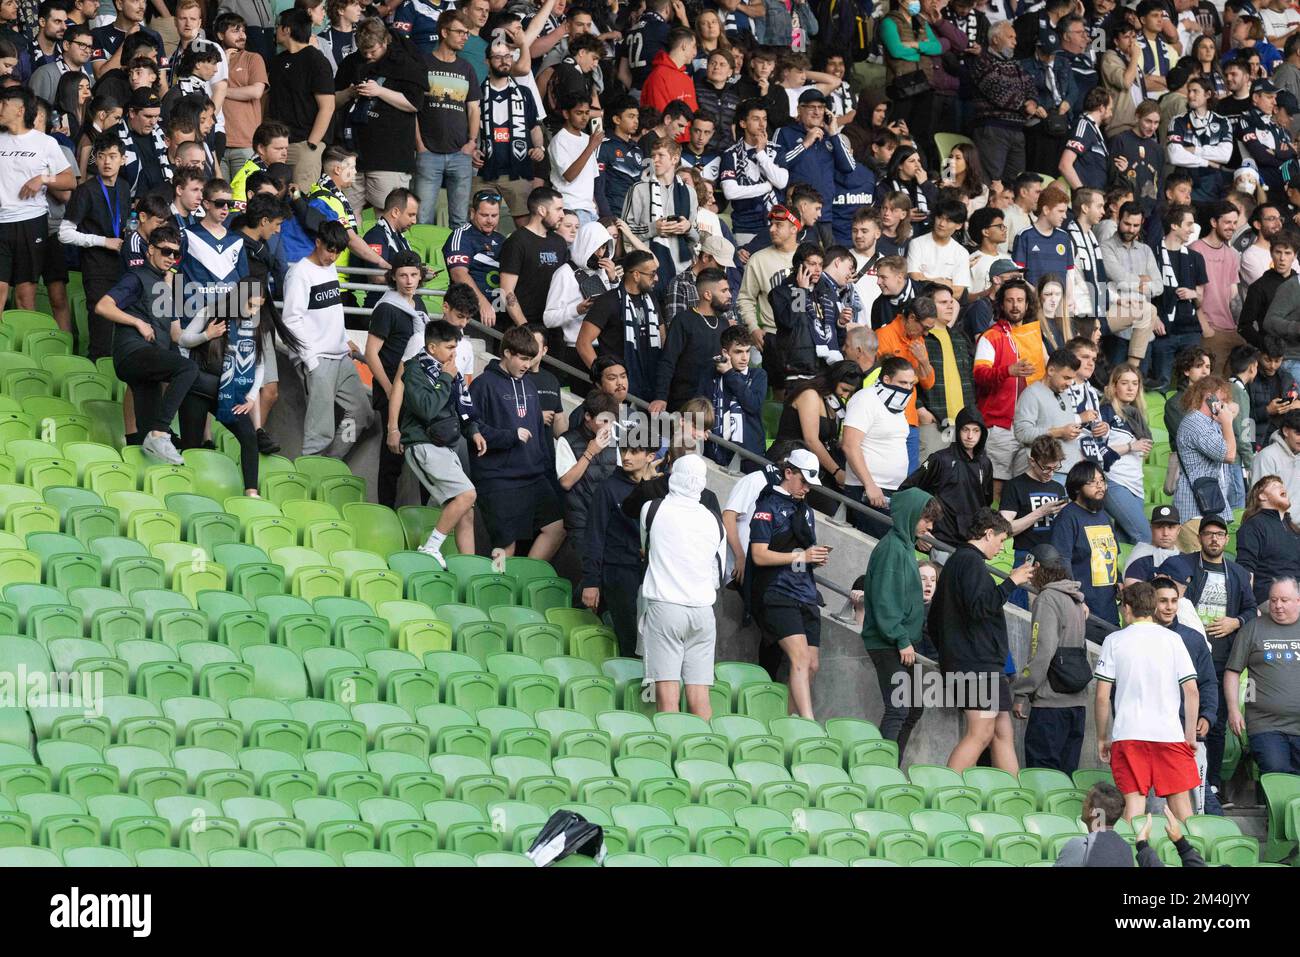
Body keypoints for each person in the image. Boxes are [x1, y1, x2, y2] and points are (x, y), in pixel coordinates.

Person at [1157, 514, 1258, 814]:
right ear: (1199, 537)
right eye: (1209, 534)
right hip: (1183, 654)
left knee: (1212, 724)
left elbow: (1252, 609)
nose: (1214, 539)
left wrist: (1235, 621)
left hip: (1221, 657)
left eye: (1220, 534)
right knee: (1175, 719)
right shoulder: (1185, 564)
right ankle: (1174, 785)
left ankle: (1210, 783)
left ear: (1227, 539)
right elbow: (1160, 583)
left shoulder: (1238, 573)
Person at [930, 508, 1034, 772]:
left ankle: (1012, 799)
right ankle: (947, 791)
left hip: (976, 663)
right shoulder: (970, 562)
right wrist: (1011, 581)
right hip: (976, 665)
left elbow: (935, 620)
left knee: (1002, 732)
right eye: (1000, 541)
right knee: (981, 733)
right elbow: (982, 607)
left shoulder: (959, 562)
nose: (1001, 549)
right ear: (988, 533)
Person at [1094, 581, 1202, 823]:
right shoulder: (1174, 640)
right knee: (1182, 808)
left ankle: (1132, 857)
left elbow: (1101, 696)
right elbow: (1192, 691)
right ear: (1154, 608)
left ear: (1128, 608)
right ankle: (1194, 858)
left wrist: (1102, 737)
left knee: (1133, 806)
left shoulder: (1114, 640)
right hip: (1169, 734)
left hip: (1128, 734)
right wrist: (1190, 736)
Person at [96, 223, 193, 465]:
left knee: (146, 443)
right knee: (187, 369)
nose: (171, 258)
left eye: (175, 254)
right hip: (133, 353)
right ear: (150, 249)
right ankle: (163, 431)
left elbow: (175, 334)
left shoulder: (164, 285)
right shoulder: (136, 276)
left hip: (149, 362)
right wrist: (138, 323)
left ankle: (153, 442)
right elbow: (103, 306)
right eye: (165, 251)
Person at [746, 448, 831, 719]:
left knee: (812, 664)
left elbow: (800, 555)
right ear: (788, 473)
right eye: (803, 482)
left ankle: (781, 721)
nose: (806, 489)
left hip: (805, 592)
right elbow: (758, 555)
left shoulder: (806, 511)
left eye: (810, 484)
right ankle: (807, 722)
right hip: (778, 592)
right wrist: (802, 556)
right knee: (800, 659)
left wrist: (812, 558)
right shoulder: (767, 506)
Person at [861, 488, 945, 762]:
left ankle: (891, 765)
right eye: (926, 519)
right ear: (910, 515)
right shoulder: (892, 550)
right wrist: (901, 639)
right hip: (889, 642)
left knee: (913, 708)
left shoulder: (903, 548)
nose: (930, 527)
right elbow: (886, 601)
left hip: (899, 642)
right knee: (898, 708)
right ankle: (881, 769)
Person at [468, 325, 565, 560]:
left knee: (557, 528)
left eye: (530, 359)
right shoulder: (482, 385)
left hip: (533, 475)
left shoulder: (529, 386)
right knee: (506, 548)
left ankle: (524, 582)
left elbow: (539, 434)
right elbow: (471, 428)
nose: (526, 365)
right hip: (498, 480)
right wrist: (510, 436)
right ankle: (498, 591)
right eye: (522, 358)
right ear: (507, 353)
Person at [639, 453, 725, 718]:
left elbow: (646, 550)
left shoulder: (652, 509)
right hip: (702, 612)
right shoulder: (714, 520)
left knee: (667, 701)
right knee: (700, 700)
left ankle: (673, 757)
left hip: (666, 608)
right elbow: (717, 573)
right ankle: (706, 756)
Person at [280, 221, 371, 459]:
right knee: (319, 432)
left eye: (338, 252)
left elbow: (331, 310)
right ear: (317, 242)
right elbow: (291, 320)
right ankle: (310, 480)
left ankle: (331, 461)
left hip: (340, 355)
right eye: (329, 250)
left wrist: (344, 338)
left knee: (361, 413)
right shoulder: (299, 273)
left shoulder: (330, 268)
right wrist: (311, 361)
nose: (333, 256)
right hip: (318, 360)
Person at [332, 16, 425, 216]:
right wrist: (350, 93)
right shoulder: (352, 62)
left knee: (388, 215)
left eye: (373, 51)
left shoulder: (405, 63)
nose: (367, 56)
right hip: (353, 152)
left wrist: (379, 91)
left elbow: (413, 104)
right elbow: (332, 101)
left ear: (385, 42)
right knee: (346, 213)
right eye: (363, 51)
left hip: (389, 157)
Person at [1012, 546, 1091, 774]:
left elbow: (1041, 651)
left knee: (1043, 778)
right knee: (1065, 783)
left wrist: (1021, 692)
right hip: (1077, 704)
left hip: (1051, 706)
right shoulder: (1076, 600)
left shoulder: (1047, 598)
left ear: (1037, 567)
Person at [582, 430, 657, 656]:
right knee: (630, 641)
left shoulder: (659, 488)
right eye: (624, 450)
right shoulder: (607, 488)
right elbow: (594, 535)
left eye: (634, 451)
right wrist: (591, 582)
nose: (626, 456)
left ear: (650, 457)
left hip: (653, 576)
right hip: (618, 574)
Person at [0, 87, 75, 314]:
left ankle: (21, 350)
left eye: (4, 103)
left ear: (20, 109)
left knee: (25, 296)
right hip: (1, 223)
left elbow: (69, 180)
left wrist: (42, 178)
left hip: (31, 222)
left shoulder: (45, 143)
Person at [365, 251, 430, 508]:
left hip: (415, 389)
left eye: (414, 275)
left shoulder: (420, 305)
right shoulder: (387, 308)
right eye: (403, 275)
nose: (409, 280)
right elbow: (371, 353)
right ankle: (386, 510)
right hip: (393, 388)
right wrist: (391, 389)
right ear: (393, 277)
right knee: (392, 457)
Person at [59, 132, 131, 362]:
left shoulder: (124, 187)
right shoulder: (86, 190)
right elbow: (64, 233)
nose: (107, 162)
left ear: (123, 159)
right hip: (96, 269)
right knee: (101, 337)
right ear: (95, 159)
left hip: (122, 267)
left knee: (120, 337)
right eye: (101, 156)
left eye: (112, 156)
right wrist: (102, 241)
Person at [973, 279, 1042, 497]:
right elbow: (979, 375)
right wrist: (1008, 371)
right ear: (1001, 305)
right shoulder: (991, 336)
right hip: (999, 427)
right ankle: (993, 530)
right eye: (1010, 300)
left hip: (1029, 426)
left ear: (1027, 304)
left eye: (1020, 300)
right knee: (996, 487)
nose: (1015, 305)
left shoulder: (1033, 336)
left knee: (1024, 488)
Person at [1225, 576, 1300, 775]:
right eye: (1273, 600)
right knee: (1276, 772)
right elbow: (1233, 672)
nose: (1277, 605)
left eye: (1284, 600)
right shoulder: (1253, 628)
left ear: (1298, 601)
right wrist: (1233, 710)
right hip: (1266, 723)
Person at [414, 11, 480, 229]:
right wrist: (419, 145)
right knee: (422, 219)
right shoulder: (422, 64)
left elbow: (473, 109)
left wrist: (472, 142)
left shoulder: (466, 68)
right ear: (444, 32)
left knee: (460, 221)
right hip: (428, 152)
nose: (464, 37)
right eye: (460, 32)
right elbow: (412, 109)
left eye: (466, 33)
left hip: (460, 154)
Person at [841, 355, 916, 539]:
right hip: (868, 491)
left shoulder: (897, 404)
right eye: (903, 382)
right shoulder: (865, 399)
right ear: (886, 379)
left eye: (910, 384)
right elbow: (850, 445)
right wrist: (870, 485)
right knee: (871, 548)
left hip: (892, 491)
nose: (907, 388)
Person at [899, 406, 993, 549]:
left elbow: (986, 504)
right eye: (965, 429)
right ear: (957, 431)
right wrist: (917, 531)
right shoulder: (939, 459)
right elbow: (906, 490)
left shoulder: (985, 464)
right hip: (940, 541)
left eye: (976, 431)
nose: (970, 436)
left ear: (982, 434)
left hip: (971, 544)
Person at [576, 249, 661, 401]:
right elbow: (583, 343)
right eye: (652, 274)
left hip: (650, 382)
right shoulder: (608, 301)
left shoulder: (651, 300)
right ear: (636, 275)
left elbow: (662, 336)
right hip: (617, 389)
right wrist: (604, 377)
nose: (656, 279)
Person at [1055, 784, 1206, 866]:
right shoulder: (1125, 847)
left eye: (1086, 801)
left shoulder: (1080, 845)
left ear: (1093, 812)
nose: (1083, 804)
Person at [268, 9, 334, 193]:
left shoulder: (316, 61)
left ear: (287, 29)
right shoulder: (276, 62)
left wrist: (311, 144)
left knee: (301, 202)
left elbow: (327, 107)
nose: (275, 31)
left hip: (304, 144)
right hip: (277, 143)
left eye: (278, 26)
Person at [1050, 461, 1122, 629]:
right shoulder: (1067, 517)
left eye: (1101, 480)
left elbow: (1111, 557)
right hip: (1083, 610)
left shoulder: (1104, 517)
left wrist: (1120, 580)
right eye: (1092, 482)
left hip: (1109, 609)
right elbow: (1062, 563)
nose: (1100, 486)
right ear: (1077, 488)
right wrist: (1076, 600)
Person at [969, 20, 1038, 191]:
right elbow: (999, 92)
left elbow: (1030, 86)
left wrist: (1033, 101)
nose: (1015, 42)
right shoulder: (982, 61)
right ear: (995, 40)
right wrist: (1025, 105)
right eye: (1010, 37)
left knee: (1015, 184)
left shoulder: (1016, 63)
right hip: (993, 130)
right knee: (993, 182)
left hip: (1017, 130)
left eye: (1015, 38)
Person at [621, 134, 698, 284]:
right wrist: (653, 229)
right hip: (647, 270)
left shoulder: (689, 192)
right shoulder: (638, 189)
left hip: (682, 269)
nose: (654, 160)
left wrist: (687, 228)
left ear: (674, 159)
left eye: (660, 155)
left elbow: (696, 237)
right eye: (652, 155)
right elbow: (624, 232)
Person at [554, 391, 618, 566]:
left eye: (612, 421)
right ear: (588, 416)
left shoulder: (615, 440)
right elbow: (566, 482)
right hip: (582, 522)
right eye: (604, 421)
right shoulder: (567, 441)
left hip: (609, 520)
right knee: (587, 577)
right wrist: (590, 452)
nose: (609, 426)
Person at [498, 186, 569, 331]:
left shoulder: (559, 242)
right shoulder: (517, 241)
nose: (562, 214)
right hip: (522, 327)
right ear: (542, 210)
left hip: (553, 325)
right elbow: (507, 292)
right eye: (558, 209)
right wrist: (525, 328)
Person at [1173, 374, 1237, 524]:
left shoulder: (1211, 422)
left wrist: (1224, 422)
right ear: (1210, 397)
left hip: (1211, 505)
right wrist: (1228, 423)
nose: (1226, 405)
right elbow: (1229, 455)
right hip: (1195, 511)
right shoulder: (1195, 422)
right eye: (1223, 400)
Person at [1013, 348, 1086, 479]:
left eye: (1072, 379)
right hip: (1047, 473)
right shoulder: (1032, 394)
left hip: (1070, 472)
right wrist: (1060, 432)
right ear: (1051, 370)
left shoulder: (1064, 394)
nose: (1070, 383)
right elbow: (1022, 433)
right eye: (1066, 378)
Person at [706, 324, 767, 473]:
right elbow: (700, 406)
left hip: (750, 455)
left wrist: (729, 374)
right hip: (717, 451)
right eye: (738, 352)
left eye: (747, 351)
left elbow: (752, 405)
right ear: (726, 353)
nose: (745, 357)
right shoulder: (710, 374)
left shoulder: (758, 375)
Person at [1000, 435, 1069, 562]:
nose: (1051, 473)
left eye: (1055, 468)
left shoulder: (1058, 487)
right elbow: (1004, 530)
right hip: (1026, 555)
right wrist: (1040, 512)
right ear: (1032, 461)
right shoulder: (1014, 486)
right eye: (1046, 468)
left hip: (1055, 554)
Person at [1240, 237, 1297, 351]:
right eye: (1278, 252)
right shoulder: (1259, 287)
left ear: (1295, 256)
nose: (1282, 258)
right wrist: (1266, 345)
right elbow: (1244, 326)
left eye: (1287, 253)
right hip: (1273, 355)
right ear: (1271, 253)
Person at [1250, 409, 1300, 516]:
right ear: (1286, 431)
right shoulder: (1266, 457)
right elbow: (1258, 501)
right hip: (1279, 528)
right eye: (1298, 433)